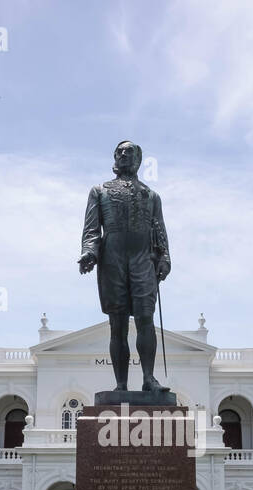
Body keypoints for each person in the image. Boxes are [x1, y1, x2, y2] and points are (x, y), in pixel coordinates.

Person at [78, 140, 172, 394]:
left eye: (129, 153)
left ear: (138, 160)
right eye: (119, 152)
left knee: (145, 318)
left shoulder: (152, 196)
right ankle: (121, 384)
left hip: (143, 259)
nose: (122, 155)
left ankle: (148, 378)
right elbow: (91, 229)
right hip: (113, 259)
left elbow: (160, 229)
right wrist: (89, 252)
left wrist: (164, 258)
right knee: (117, 323)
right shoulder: (100, 190)